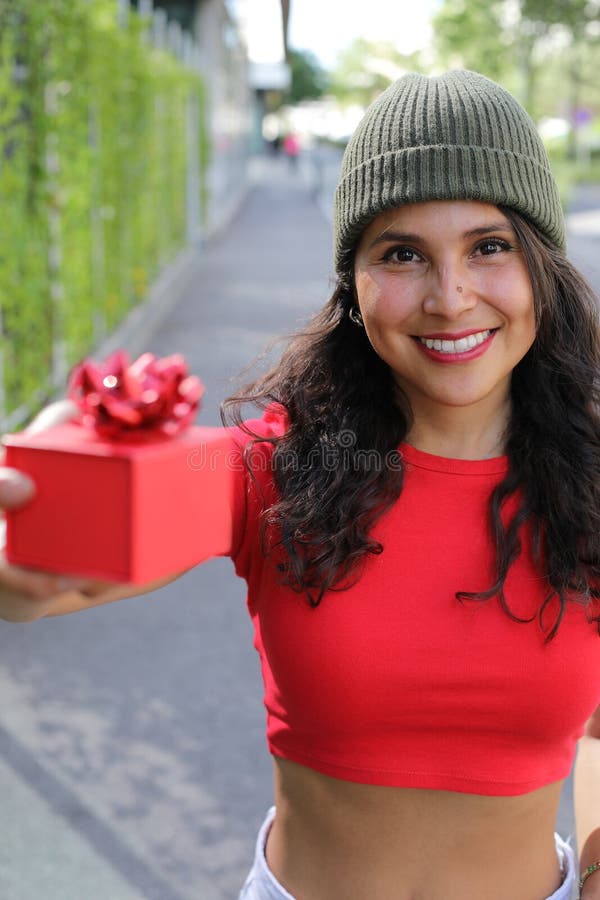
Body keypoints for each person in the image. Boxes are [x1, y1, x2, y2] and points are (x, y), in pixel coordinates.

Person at [1, 69, 600, 900]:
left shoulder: (593, 482)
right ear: (352, 285)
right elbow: (43, 587)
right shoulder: (269, 466)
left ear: (542, 265)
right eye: (401, 254)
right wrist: (37, 532)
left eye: (489, 246)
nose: (450, 296)